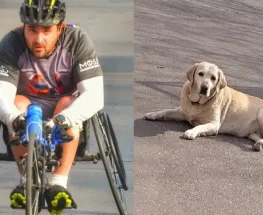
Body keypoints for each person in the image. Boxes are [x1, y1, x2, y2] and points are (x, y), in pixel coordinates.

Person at [0, 0, 104, 214]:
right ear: (24, 27)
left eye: (47, 30)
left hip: (63, 111)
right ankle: (25, 180)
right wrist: (13, 118)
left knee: (68, 102)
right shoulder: (11, 42)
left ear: (60, 27)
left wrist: (64, 119)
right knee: (17, 103)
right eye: (32, 30)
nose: (39, 39)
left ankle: (58, 183)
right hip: (26, 110)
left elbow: (94, 94)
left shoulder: (77, 41)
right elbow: (2, 92)